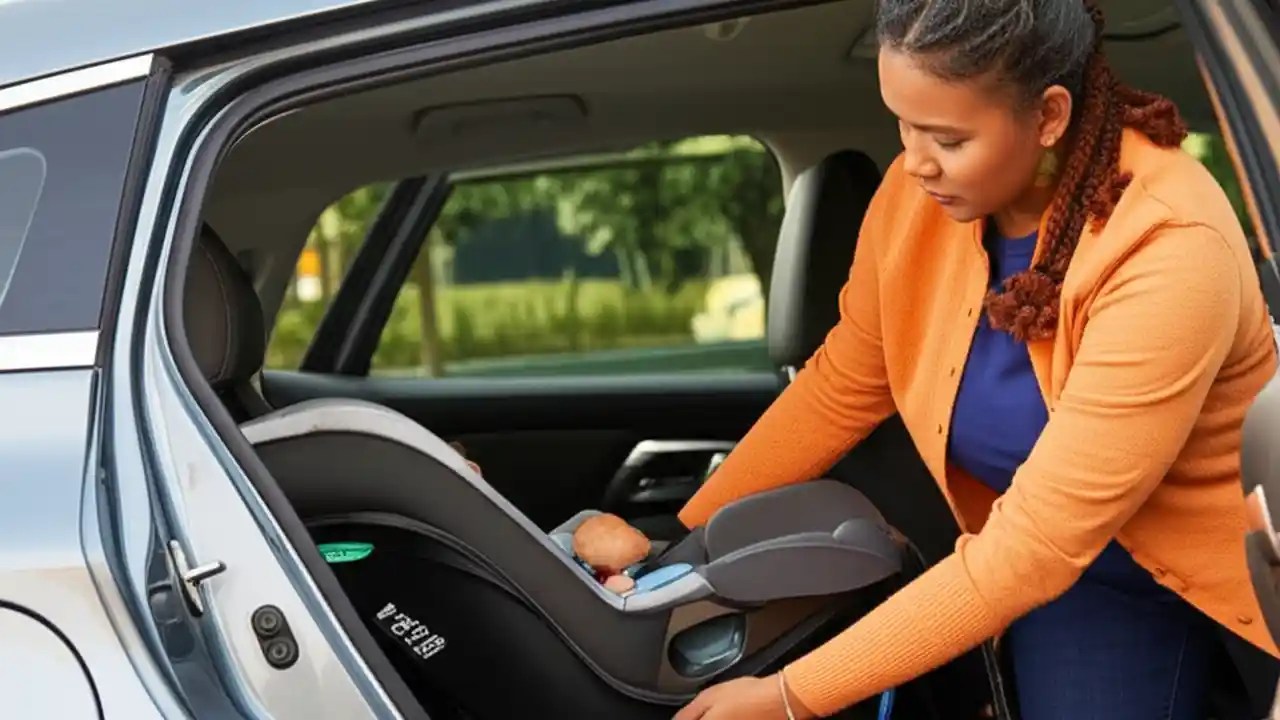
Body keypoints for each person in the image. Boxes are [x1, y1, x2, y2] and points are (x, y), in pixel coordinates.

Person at [670, 1, 1280, 718]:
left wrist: (788, 698)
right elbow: (842, 386)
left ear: (1049, 115)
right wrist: (677, 555)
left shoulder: (1170, 245)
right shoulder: (914, 199)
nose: (915, 162)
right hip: (1060, 574)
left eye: (948, 138)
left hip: (1201, 582)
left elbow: (1036, 544)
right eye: (902, 123)